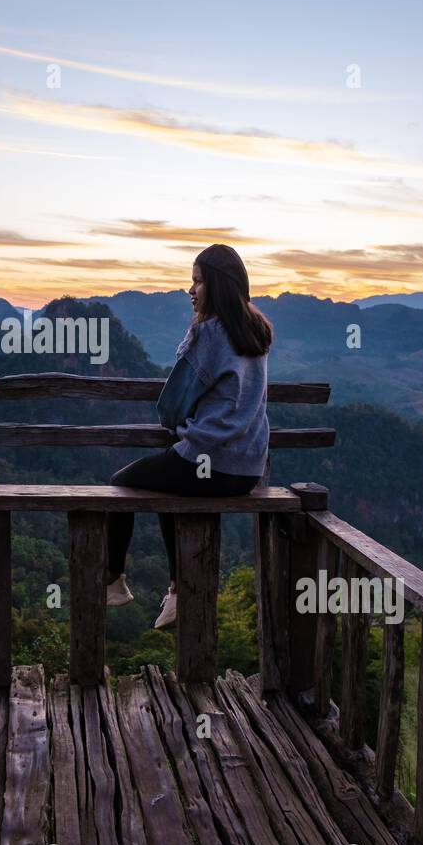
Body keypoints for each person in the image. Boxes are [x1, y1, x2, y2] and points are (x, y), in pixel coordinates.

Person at [105, 243, 273, 629]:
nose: (190, 290)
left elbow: (170, 407)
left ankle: (113, 581)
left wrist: (185, 425)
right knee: (169, 484)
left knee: (119, 487)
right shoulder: (256, 330)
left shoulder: (209, 333)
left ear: (216, 284)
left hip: (207, 462)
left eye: (197, 281)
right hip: (247, 471)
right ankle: (178, 592)